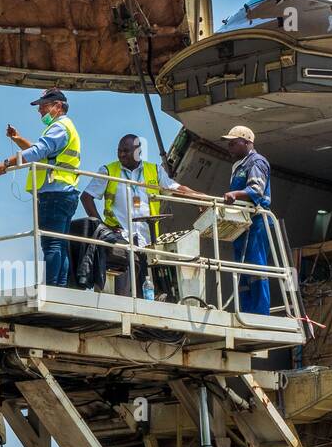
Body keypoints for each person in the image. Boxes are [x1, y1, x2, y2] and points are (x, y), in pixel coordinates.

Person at [80, 134, 207, 296]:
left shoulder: (153, 170)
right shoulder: (108, 171)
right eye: (119, 151)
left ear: (137, 151)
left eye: (126, 151)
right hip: (120, 240)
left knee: (147, 289)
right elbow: (86, 197)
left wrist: (198, 197)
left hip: (147, 241)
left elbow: (175, 188)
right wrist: (102, 228)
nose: (121, 154)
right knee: (123, 291)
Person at [0, 88, 82, 287]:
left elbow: (38, 151)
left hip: (55, 193)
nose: (40, 111)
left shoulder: (60, 127)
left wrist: (7, 164)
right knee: (59, 243)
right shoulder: (64, 127)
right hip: (64, 192)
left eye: (43, 106)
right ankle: (59, 287)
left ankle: (51, 288)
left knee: (51, 244)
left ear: (58, 106)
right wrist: (17, 138)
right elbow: (43, 151)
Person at [220, 125, 273, 315]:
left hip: (256, 223)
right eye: (229, 143)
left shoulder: (256, 162)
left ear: (248, 142)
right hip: (242, 224)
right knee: (243, 270)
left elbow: (256, 191)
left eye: (234, 143)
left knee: (256, 268)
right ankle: (247, 311)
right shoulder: (239, 166)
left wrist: (235, 194)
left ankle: (260, 313)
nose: (230, 146)